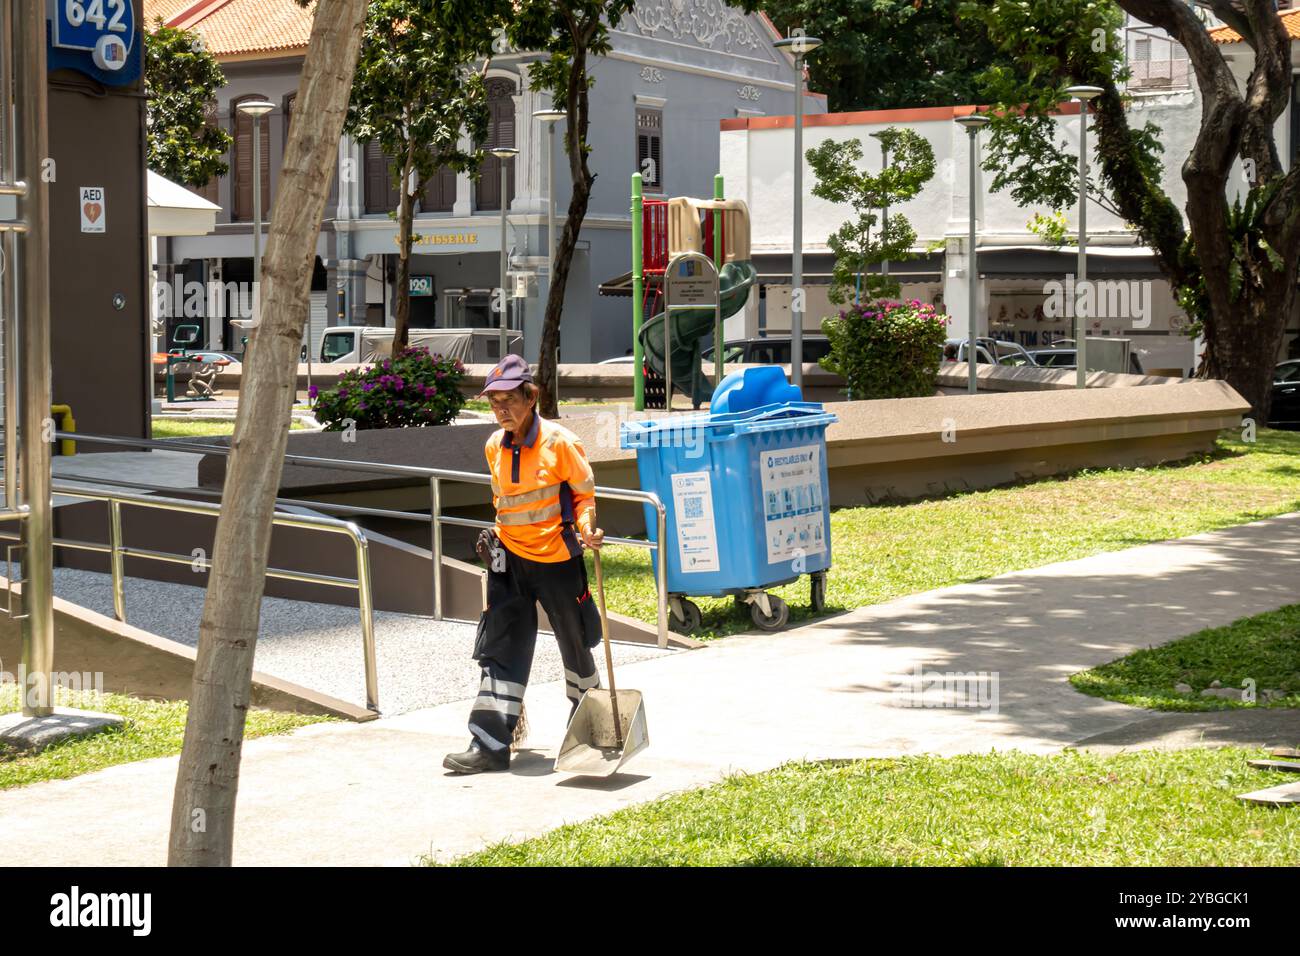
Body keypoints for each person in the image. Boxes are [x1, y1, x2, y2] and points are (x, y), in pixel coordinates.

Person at [443, 354, 606, 774]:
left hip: (557, 561)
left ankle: (590, 734)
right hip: (509, 563)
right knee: (501, 649)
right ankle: (490, 744)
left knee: (576, 644)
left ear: (531, 397)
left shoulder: (561, 443)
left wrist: (588, 528)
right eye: (494, 401)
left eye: (509, 400)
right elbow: (505, 503)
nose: (501, 409)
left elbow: (584, 496)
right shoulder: (493, 445)